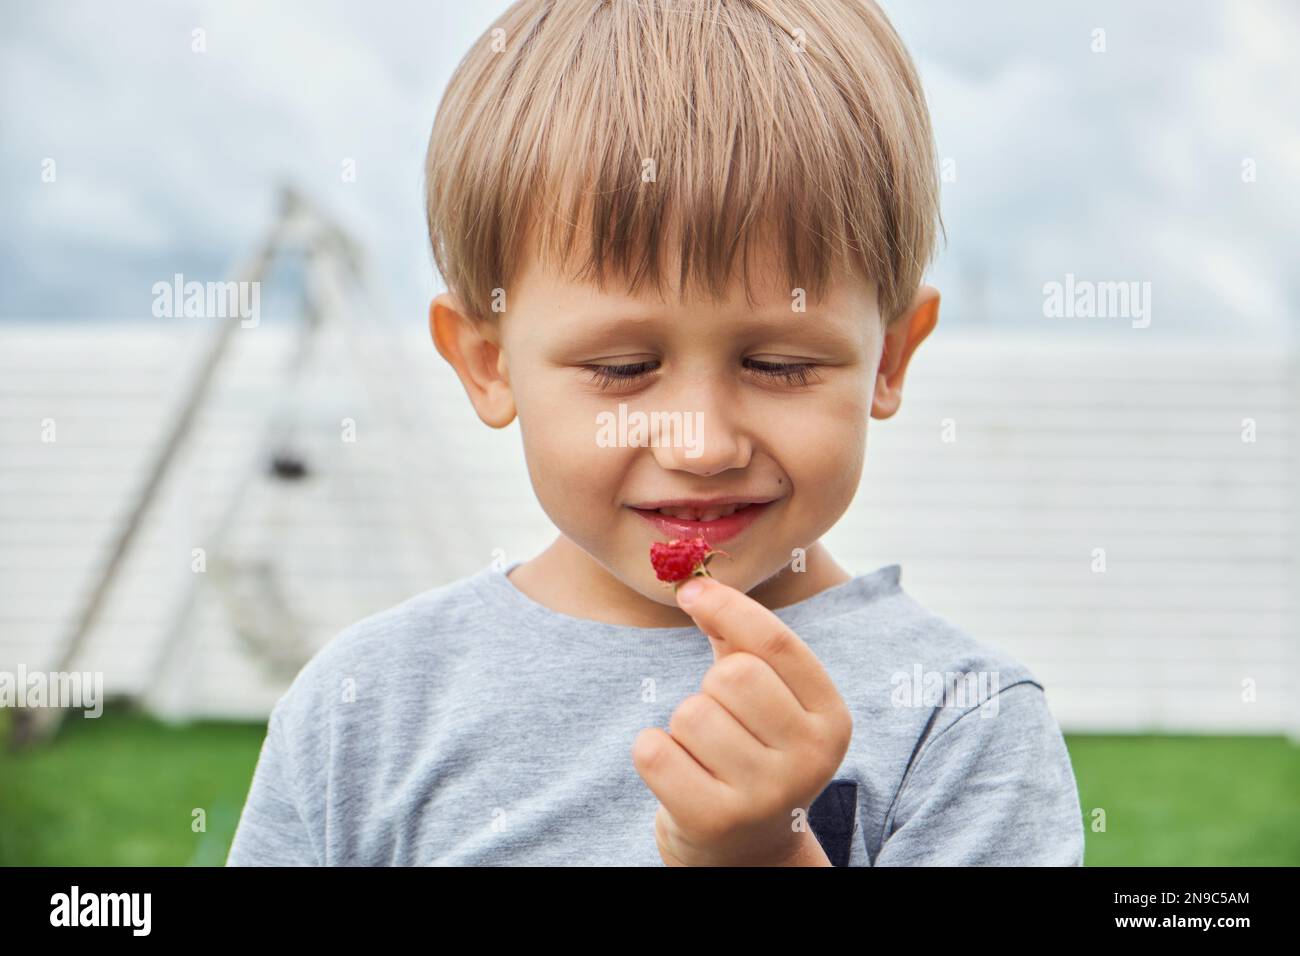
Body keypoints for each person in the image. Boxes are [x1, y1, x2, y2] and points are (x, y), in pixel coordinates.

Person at [228, 0, 1084, 866]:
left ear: (889, 359)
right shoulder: (365, 709)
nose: (702, 443)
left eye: (782, 364)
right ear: (489, 364)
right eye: (624, 367)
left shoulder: (960, 724)